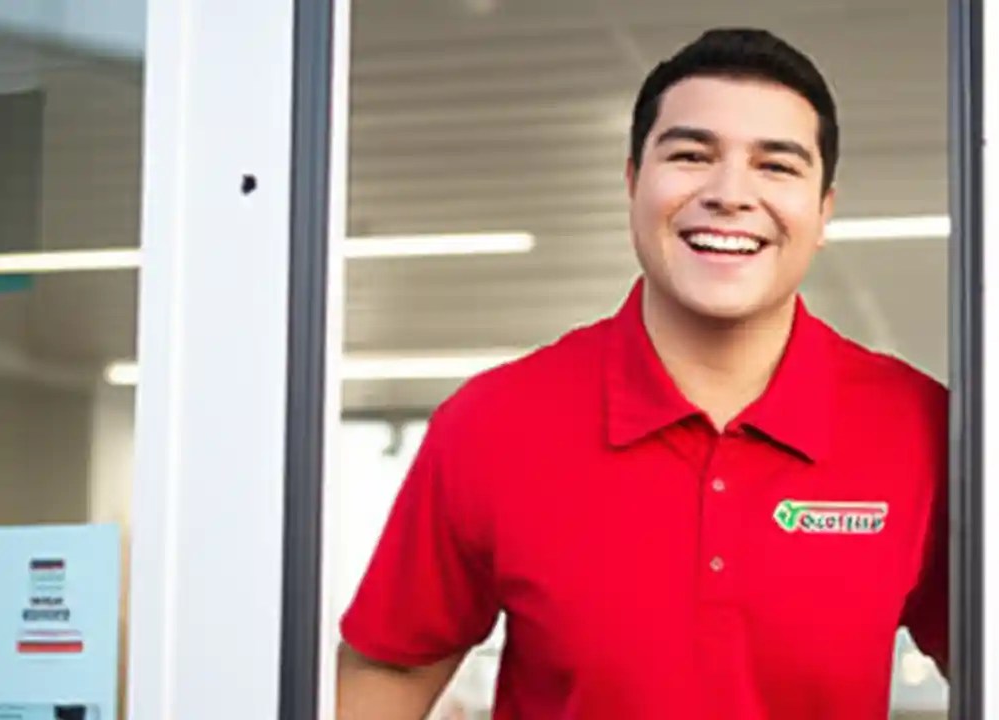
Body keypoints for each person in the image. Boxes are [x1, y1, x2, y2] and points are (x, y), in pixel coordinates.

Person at [337, 27, 948, 720]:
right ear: (632, 183)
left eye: (776, 166)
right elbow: (386, 675)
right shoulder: (494, 423)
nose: (729, 193)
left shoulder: (923, 429)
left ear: (823, 210)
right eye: (691, 155)